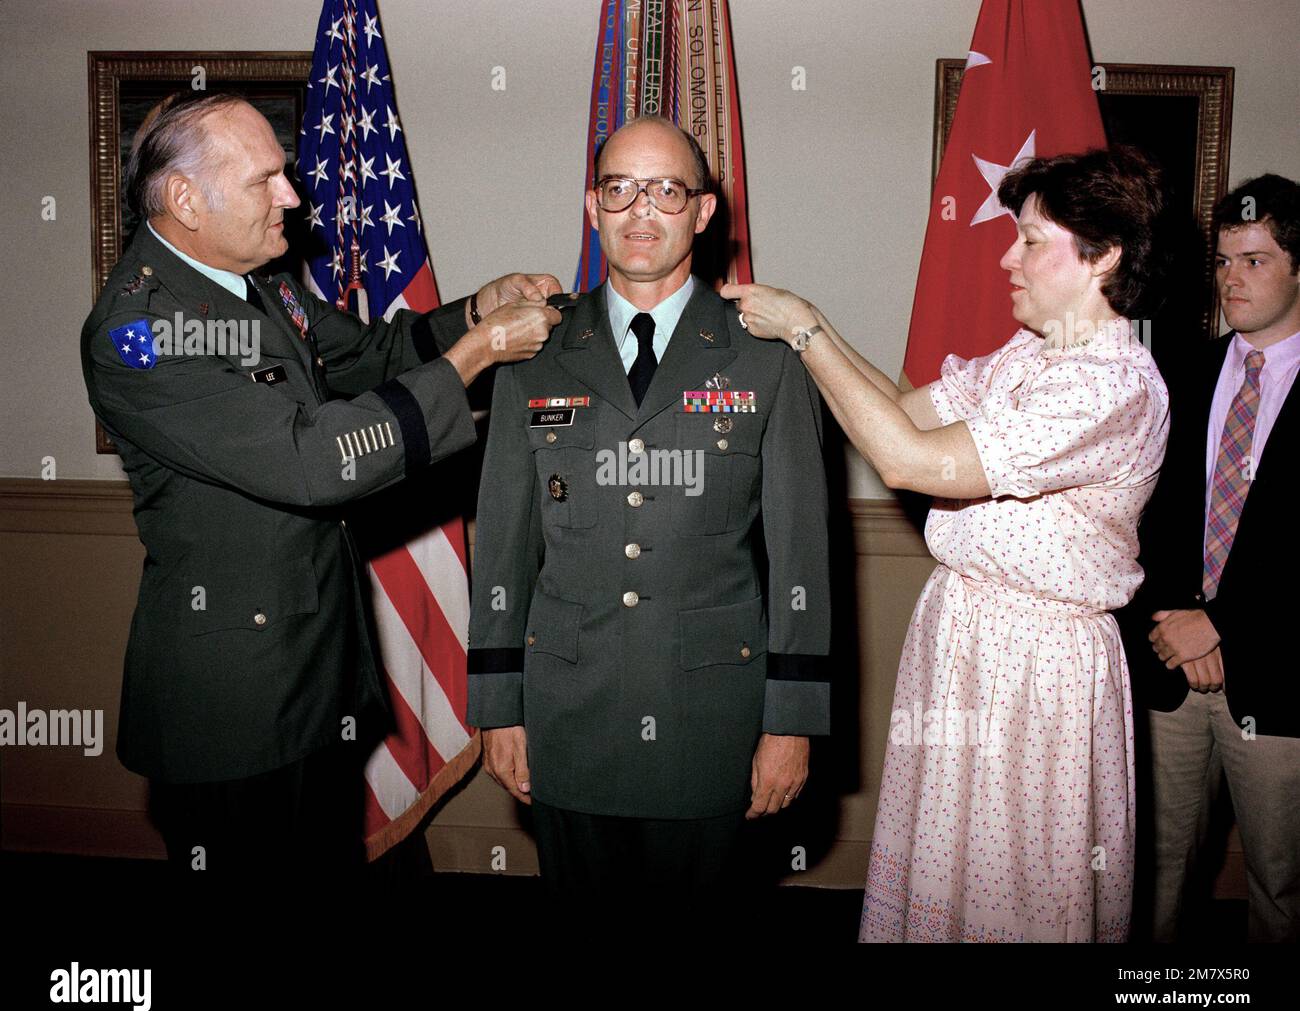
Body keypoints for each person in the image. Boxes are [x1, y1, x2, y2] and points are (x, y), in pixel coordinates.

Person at [80, 91, 562, 874]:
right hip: (235, 704)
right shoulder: (139, 332)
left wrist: (477, 311)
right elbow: (313, 461)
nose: (292, 198)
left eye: (286, 174)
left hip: (314, 668)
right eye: (264, 180)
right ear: (186, 200)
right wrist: (476, 357)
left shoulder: (256, 283)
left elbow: (369, 356)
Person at [726, 148, 1171, 941]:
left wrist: (802, 332)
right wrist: (812, 324)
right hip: (967, 636)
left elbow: (908, 461)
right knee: (948, 871)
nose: (1008, 258)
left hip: (1037, 666)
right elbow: (905, 412)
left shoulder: (1110, 384)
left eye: (1031, 241)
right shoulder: (1036, 351)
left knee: (1016, 891)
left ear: (1102, 255)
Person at [466, 116, 830, 923]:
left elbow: (802, 557)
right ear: (591, 205)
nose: (640, 210)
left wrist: (793, 724)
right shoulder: (532, 351)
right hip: (569, 712)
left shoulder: (766, 354)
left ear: (703, 211)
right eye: (619, 188)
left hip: (711, 715)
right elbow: (504, 549)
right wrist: (498, 706)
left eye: (666, 190)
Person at [1121, 174, 1300, 942]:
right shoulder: (1177, 372)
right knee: (1151, 878)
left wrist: (1221, 624)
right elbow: (1140, 517)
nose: (1232, 278)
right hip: (1169, 672)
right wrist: (1179, 625)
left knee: (1282, 887)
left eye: (1255, 260)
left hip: (1283, 685)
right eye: (1224, 261)